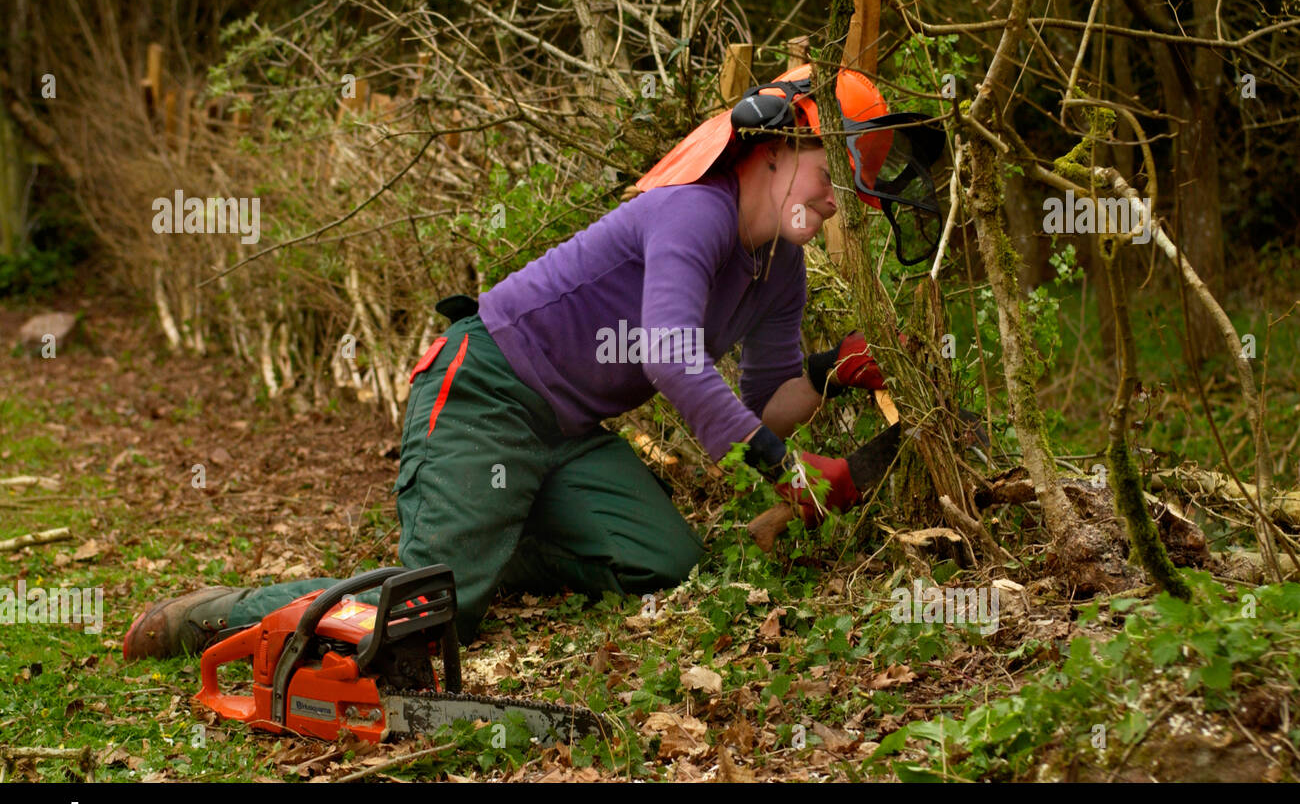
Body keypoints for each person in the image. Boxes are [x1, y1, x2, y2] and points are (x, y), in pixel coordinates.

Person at [122, 63, 942, 660]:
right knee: (431, 615)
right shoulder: (692, 212)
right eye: (836, 174)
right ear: (775, 148)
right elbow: (669, 357)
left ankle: (491, 536)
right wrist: (782, 472)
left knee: (666, 562)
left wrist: (831, 369)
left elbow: (768, 399)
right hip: (483, 388)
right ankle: (209, 617)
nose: (841, 200)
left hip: (568, 428)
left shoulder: (779, 268)